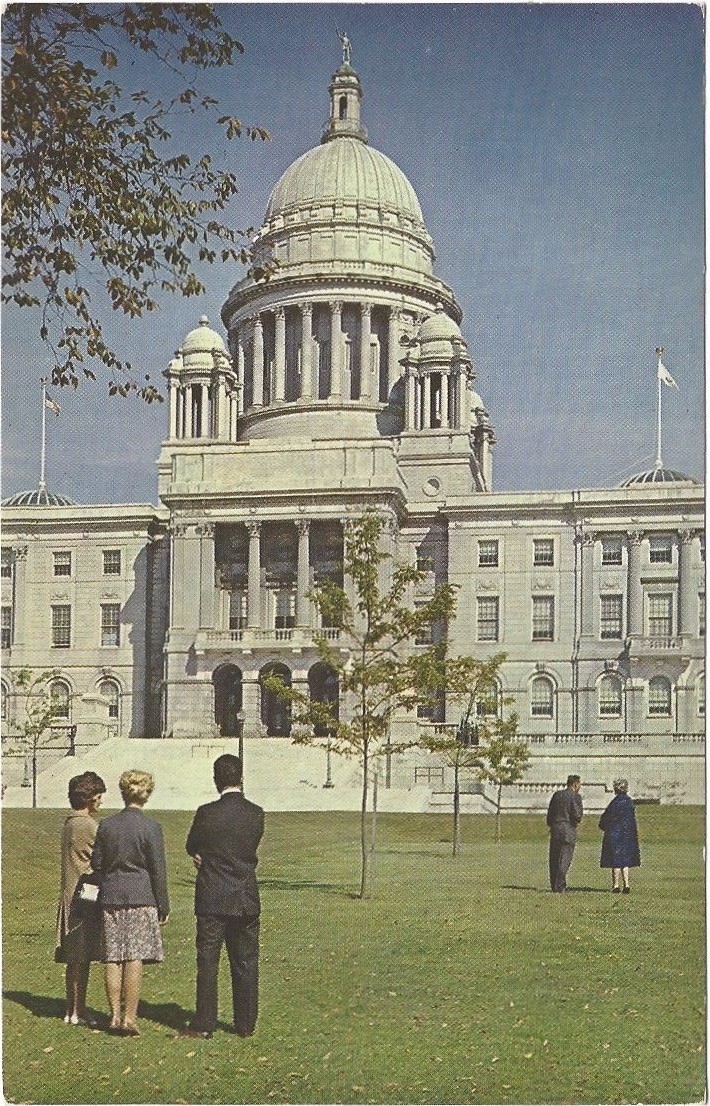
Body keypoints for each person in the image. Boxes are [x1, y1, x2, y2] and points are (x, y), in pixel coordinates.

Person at [180, 754, 265, 1039]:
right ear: (241, 777)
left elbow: (192, 845)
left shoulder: (206, 813)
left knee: (208, 962)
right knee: (246, 961)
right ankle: (245, 1023)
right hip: (244, 895)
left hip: (213, 896)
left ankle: (205, 1022)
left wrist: (204, 856)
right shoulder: (256, 813)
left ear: (216, 780)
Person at [91, 770, 169, 1037]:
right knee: (134, 956)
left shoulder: (107, 825)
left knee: (113, 956)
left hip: (112, 895)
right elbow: (158, 869)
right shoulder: (151, 828)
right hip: (141, 896)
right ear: (146, 794)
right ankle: (129, 1018)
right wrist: (163, 904)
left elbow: (97, 863)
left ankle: (113, 1016)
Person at [55, 771, 107, 1025]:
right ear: (89, 799)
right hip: (85, 895)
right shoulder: (87, 825)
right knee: (80, 956)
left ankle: (72, 1009)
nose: (100, 802)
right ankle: (78, 1011)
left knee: (76, 958)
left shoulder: (70, 822)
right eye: (98, 797)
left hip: (71, 894)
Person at [599, 778, 641, 893]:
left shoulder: (615, 803)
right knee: (625, 861)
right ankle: (626, 884)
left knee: (615, 861)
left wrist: (603, 826)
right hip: (627, 834)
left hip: (615, 834)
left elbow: (606, 818)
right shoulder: (629, 802)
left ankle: (616, 885)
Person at [546, 774, 583, 892]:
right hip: (568, 829)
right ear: (575, 784)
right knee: (565, 858)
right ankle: (560, 885)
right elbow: (577, 815)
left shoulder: (556, 795)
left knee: (554, 858)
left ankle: (554, 885)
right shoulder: (575, 797)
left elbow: (550, 814)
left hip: (555, 829)